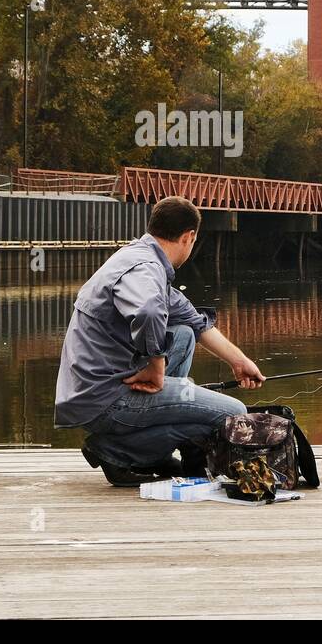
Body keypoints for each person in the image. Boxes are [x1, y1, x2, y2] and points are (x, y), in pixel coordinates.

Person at [54, 195, 265, 486]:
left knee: (183, 335)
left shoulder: (138, 257)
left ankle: (150, 451)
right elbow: (149, 310)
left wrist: (239, 362)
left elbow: (195, 322)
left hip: (92, 388)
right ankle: (115, 451)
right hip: (105, 399)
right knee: (233, 413)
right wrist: (156, 363)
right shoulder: (145, 269)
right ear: (188, 237)